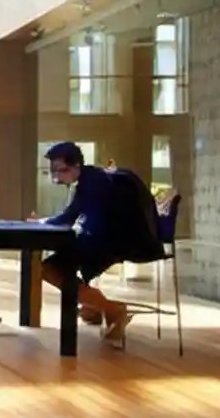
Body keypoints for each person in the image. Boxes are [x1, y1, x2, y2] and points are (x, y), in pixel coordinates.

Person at [37, 141, 148, 347]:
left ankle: (111, 310)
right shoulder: (93, 178)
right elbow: (73, 216)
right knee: (61, 264)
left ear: (76, 166)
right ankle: (96, 308)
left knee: (49, 269)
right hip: (109, 239)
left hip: (104, 242)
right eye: (54, 171)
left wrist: (41, 223)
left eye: (61, 170)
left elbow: (70, 217)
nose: (57, 177)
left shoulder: (91, 183)